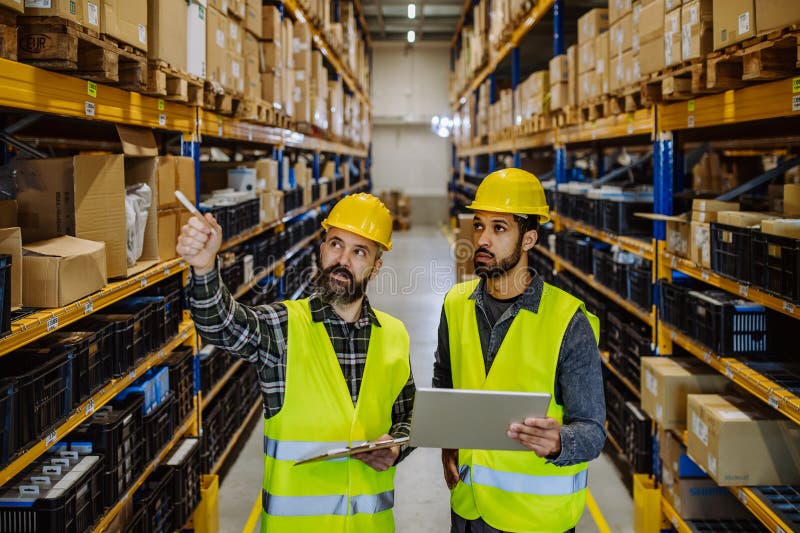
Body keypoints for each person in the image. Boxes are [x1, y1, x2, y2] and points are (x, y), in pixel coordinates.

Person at [177, 192, 415, 533]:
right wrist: (203, 268)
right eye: (335, 244)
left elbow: (409, 414)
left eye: (359, 251)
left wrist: (396, 447)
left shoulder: (395, 335)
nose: (342, 259)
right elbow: (222, 324)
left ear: (376, 267)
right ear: (321, 250)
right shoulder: (283, 328)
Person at [434, 168, 606, 533]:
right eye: (478, 225)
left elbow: (592, 430)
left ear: (529, 239)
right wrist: (449, 442)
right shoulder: (455, 304)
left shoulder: (568, 322)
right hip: (468, 509)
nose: (482, 239)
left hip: (535, 519)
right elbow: (446, 382)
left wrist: (560, 441)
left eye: (499, 228)